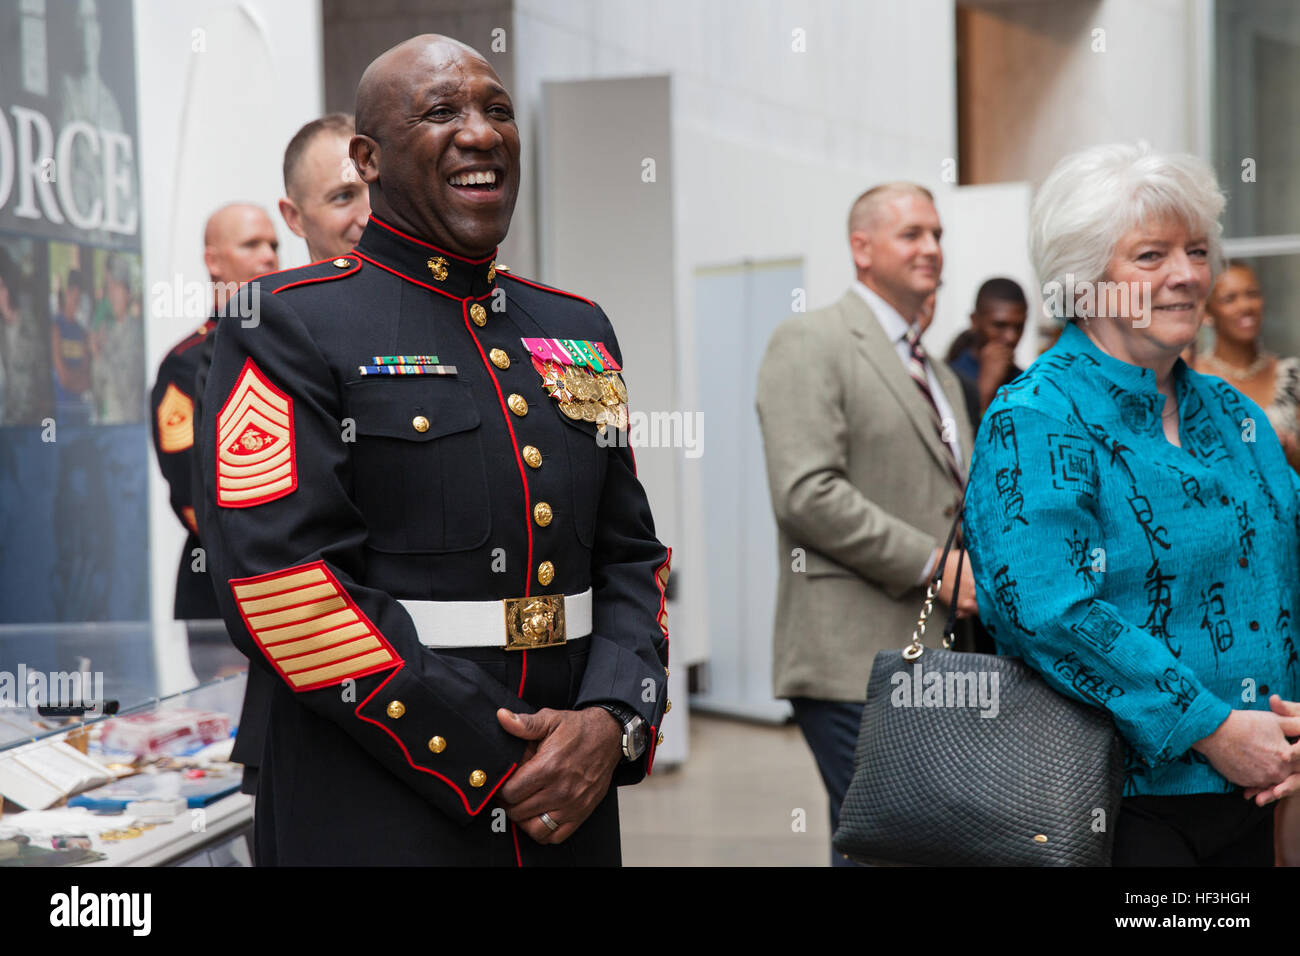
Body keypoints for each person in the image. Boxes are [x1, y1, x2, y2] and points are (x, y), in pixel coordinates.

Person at [194, 34, 671, 866]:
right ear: (369, 159)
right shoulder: (287, 323)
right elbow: (286, 590)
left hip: (574, 806)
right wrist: (504, 759)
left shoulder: (575, 328)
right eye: (442, 111)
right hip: (384, 802)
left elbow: (631, 556)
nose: (480, 133)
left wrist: (612, 722)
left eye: (497, 111)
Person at [965, 143, 1300, 867]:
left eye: (1198, 250)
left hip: (1261, 792)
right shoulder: (1036, 417)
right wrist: (1211, 728)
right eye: (1151, 256)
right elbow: (1049, 609)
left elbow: (1289, 560)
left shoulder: (1236, 416)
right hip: (1116, 806)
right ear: (1084, 281)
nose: (1187, 275)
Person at [756, 182, 977, 866]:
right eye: (912, 234)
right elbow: (806, 492)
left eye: (937, 235)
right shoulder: (810, 339)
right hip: (849, 660)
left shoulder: (937, 372)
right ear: (862, 248)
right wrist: (935, 566)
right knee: (889, 851)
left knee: (912, 850)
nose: (932, 249)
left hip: (939, 658)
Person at [151, 204, 279, 801]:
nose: (269, 257)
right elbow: (194, 494)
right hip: (218, 588)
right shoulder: (184, 365)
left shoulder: (288, 354)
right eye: (252, 244)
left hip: (295, 594)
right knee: (226, 771)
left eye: (273, 244)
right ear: (213, 259)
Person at [1194, 262, 1300, 471]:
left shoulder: (1293, 374)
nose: (1245, 306)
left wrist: (1289, 451)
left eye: (1252, 294)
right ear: (1207, 313)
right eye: (1229, 299)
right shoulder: (1193, 378)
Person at [278, 113, 372, 263]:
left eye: (378, 191)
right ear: (294, 217)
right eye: (344, 197)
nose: (369, 217)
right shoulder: (262, 287)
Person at [945, 277, 1028, 429]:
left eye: (1018, 327)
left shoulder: (1026, 382)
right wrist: (984, 394)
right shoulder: (948, 377)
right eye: (999, 325)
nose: (1011, 337)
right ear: (975, 321)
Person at [50, 269, 93, 425]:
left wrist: (73, 380)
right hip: (61, 413)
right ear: (67, 293)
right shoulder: (56, 328)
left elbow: (88, 378)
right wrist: (74, 379)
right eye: (74, 298)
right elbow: (63, 379)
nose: (76, 304)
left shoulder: (81, 332)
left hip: (80, 411)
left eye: (79, 299)